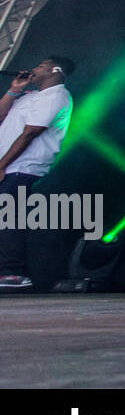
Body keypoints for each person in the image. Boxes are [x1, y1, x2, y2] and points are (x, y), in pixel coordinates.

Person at [0, 56, 76, 289]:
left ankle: (13, 273)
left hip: (24, 168)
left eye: (40, 66)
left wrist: (2, 165)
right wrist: (13, 91)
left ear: (55, 70)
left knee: (8, 219)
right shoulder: (30, 96)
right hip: (8, 167)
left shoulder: (57, 96)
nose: (34, 69)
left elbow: (31, 133)